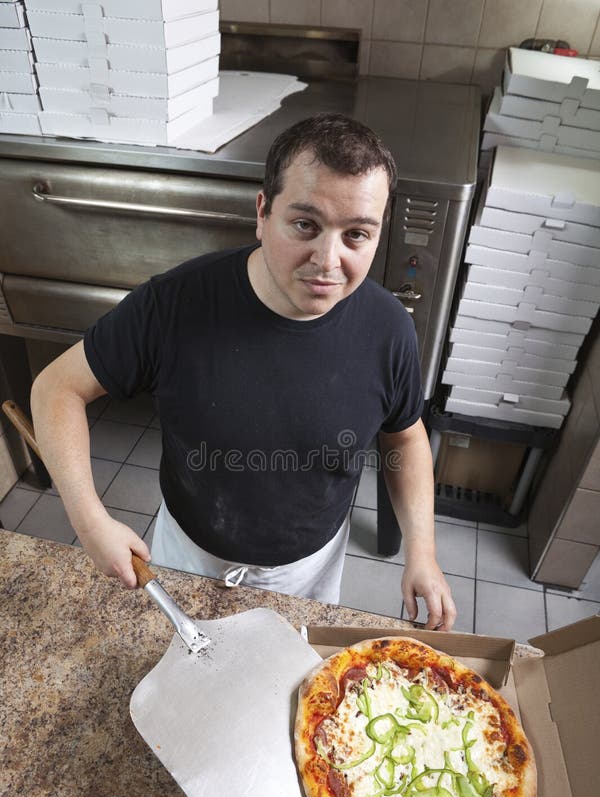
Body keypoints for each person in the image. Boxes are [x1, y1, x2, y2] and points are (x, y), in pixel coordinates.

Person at [31, 112, 456, 631]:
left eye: (356, 235)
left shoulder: (389, 329)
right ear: (262, 212)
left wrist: (423, 551)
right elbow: (57, 388)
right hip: (188, 558)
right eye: (305, 225)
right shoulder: (175, 305)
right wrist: (89, 520)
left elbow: (405, 440)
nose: (328, 260)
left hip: (311, 571)